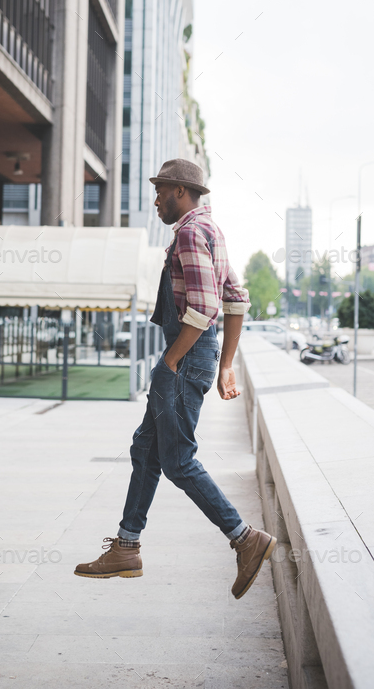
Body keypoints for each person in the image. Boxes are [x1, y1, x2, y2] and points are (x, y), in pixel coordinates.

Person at [74, 159, 276, 599]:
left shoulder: (188, 232)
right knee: (145, 449)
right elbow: (236, 298)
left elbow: (204, 309)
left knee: (178, 460)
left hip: (183, 360)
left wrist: (171, 362)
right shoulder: (211, 231)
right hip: (194, 358)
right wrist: (224, 366)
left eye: (160, 190)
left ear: (180, 191)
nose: (156, 199)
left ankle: (245, 538)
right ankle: (126, 546)